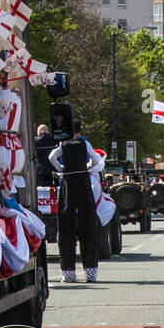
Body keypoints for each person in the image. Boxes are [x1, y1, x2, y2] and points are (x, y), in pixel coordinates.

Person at [48, 118, 104, 283]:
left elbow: (52, 157)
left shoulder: (63, 145)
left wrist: (61, 168)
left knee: (66, 225)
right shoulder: (84, 144)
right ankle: (90, 272)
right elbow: (96, 160)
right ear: (80, 131)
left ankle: (68, 272)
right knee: (88, 223)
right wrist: (87, 166)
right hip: (82, 181)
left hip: (68, 182)